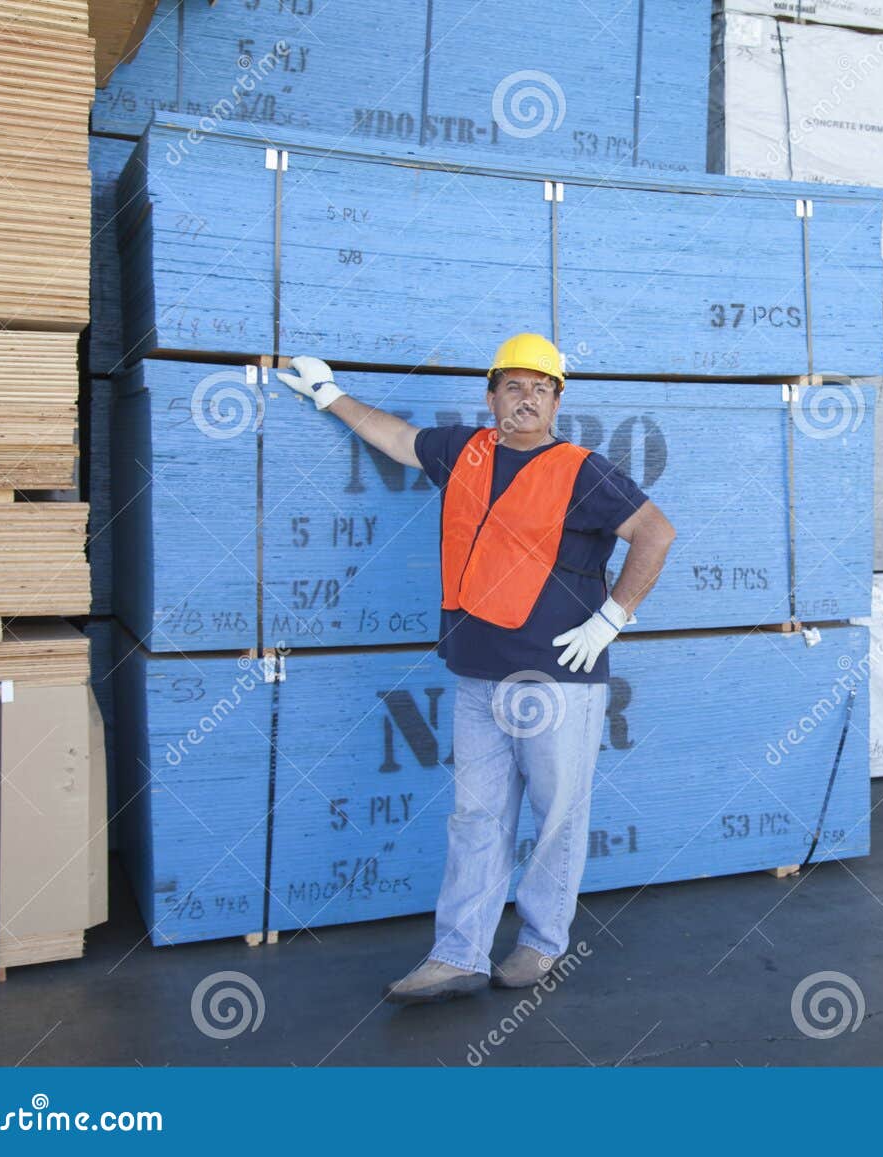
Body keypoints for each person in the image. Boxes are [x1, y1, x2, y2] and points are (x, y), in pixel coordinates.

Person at [278, 333, 676, 1004]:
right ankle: (458, 954)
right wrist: (329, 393)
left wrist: (613, 615)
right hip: (475, 671)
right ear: (491, 394)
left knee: (556, 817)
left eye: (541, 388)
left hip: (556, 679)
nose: (527, 398)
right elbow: (397, 438)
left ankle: (542, 942)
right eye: (514, 386)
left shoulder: (583, 470)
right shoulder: (463, 450)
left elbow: (656, 532)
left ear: (557, 402)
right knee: (476, 817)